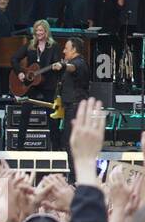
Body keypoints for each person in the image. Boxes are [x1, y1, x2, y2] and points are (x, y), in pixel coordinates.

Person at [10, 19, 61, 149]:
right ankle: (20, 147)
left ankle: (56, 148)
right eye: (37, 30)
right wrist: (20, 72)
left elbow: (56, 63)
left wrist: (57, 66)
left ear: (46, 32)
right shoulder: (30, 45)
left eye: (41, 30)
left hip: (48, 84)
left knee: (51, 117)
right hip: (30, 85)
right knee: (24, 114)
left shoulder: (54, 46)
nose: (39, 33)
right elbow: (14, 59)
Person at [51, 37, 91, 152]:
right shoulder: (74, 62)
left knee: (71, 142)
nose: (63, 51)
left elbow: (72, 68)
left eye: (66, 48)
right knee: (68, 141)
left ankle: (75, 170)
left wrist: (63, 66)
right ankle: (73, 169)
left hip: (76, 107)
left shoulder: (80, 63)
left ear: (74, 49)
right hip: (70, 106)